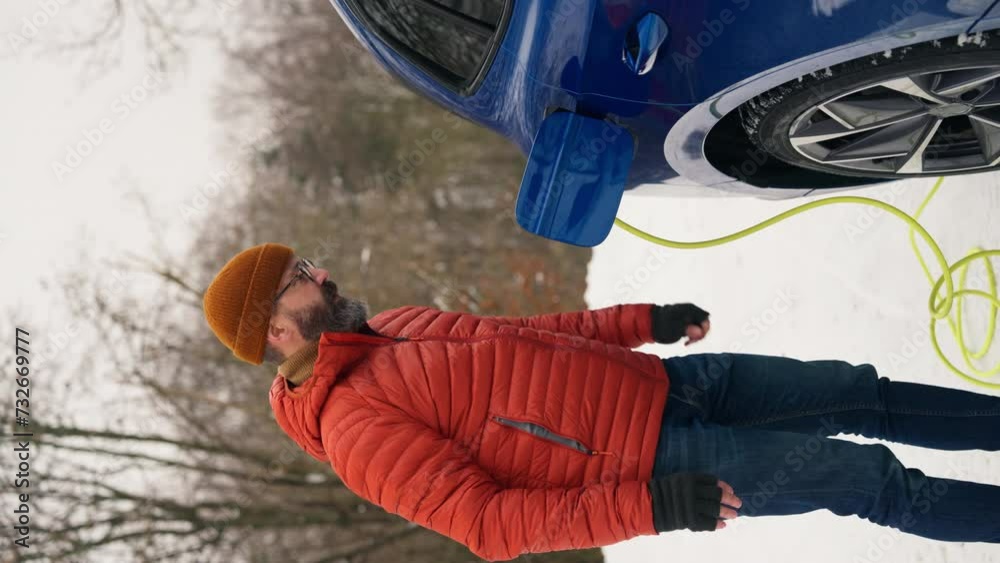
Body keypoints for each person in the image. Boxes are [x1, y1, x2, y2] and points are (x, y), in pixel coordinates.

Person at [202, 243, 1000, 561]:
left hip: (674, 383)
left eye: (308, 262)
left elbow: (529, 334)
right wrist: (653, 505)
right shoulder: (354, 432)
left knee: (859, 391)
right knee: (874, 480)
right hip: (660, 461)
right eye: (300, 277)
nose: (322, 273)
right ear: (275, 328)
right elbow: (490, 522)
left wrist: (639, 322)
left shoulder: (396, 325)